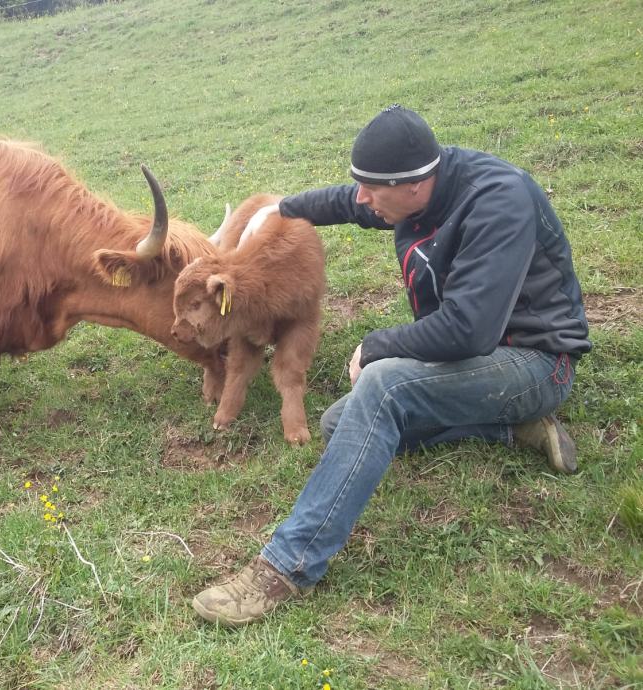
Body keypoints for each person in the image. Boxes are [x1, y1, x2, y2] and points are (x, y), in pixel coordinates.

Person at [192, 104, 591, 627]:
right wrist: (279, 209)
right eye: (361, 186)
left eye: (371, 190)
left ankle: (286, 566)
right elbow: (340, 201)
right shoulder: (410, 193)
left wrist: (377, 346)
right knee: (341, 422)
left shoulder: (499, 202)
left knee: (381, 387)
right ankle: (513, 429)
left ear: (414, 186)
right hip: (478, 364)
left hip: (534, 363)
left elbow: (469, 330)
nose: (362, 199)